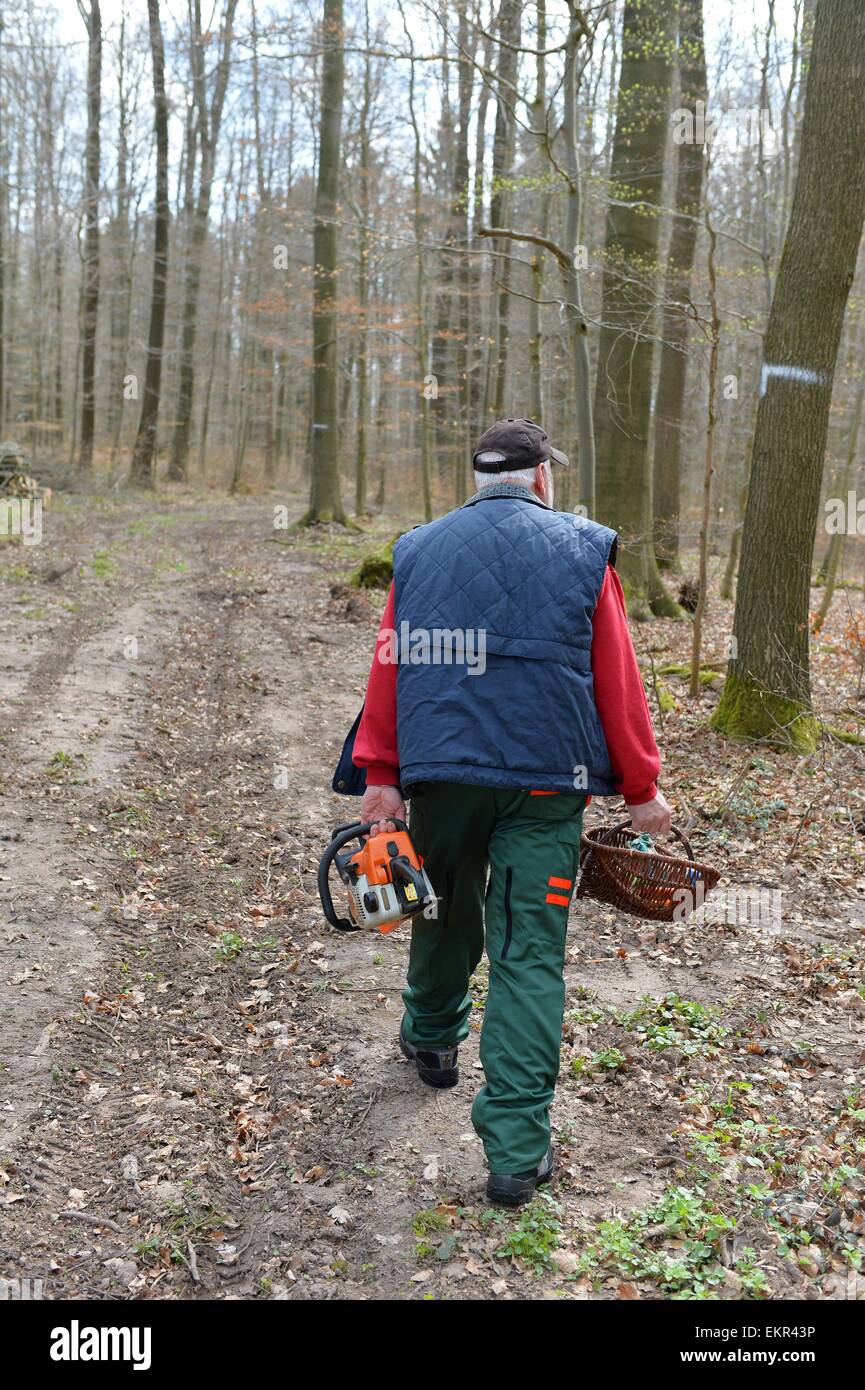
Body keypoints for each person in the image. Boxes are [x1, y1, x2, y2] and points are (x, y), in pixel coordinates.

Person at [351, 418, 671, 1205]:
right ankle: (516, 1155)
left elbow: (390, 664)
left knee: (440, 908)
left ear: (479, 478)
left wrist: (380, 772)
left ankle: (431, 1039)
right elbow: (615, 678)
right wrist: (641, 787)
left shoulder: (418, 549)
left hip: (441, 773)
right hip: (545, 783)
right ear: (541, 477)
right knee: (529, 953)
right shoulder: (584, 549)